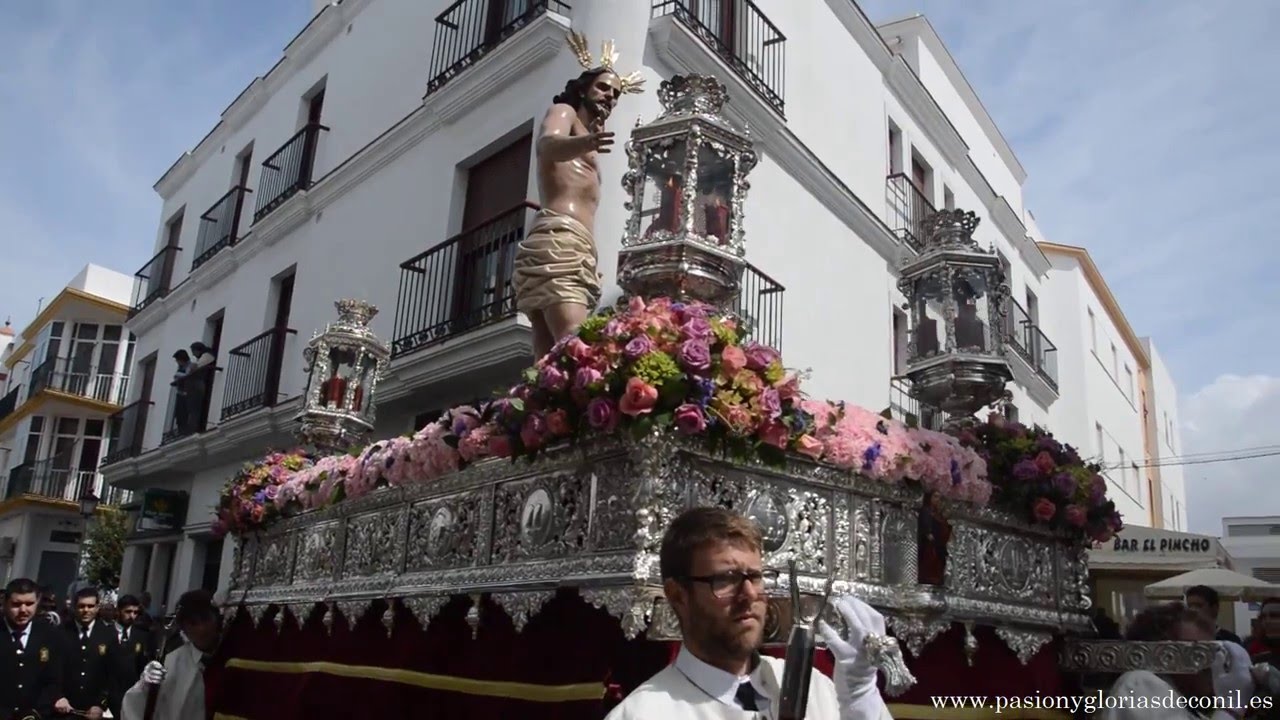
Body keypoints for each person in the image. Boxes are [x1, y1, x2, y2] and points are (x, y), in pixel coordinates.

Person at [604, 507, 894, 719]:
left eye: (755, 576)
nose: (750, 595)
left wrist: (861, 701)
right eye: (726, 579)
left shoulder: (817, 688)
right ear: (678, 595)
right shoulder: (643, 714)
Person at [511, 31, 643, 359]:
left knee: (547, 360)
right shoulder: (564, 113)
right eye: (603, 87)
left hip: (578, 244)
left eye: (615, 94)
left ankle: (544, 410)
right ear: (583, 87)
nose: (609, 97)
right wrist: (582, 144)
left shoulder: (589, 138)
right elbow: (546, 145)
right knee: (576, 347)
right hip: (560, 237)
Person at [1098, 602, 1266, 719]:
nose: (1211, 666)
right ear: (1162, 654)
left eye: (1211, 653)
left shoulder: (1189, 704)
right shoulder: (1139, 683)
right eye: (1196, 653)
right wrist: (1232, 708)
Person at [121, 589, 223, 720]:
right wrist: (145, 685)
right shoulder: (172, 663)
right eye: (193, 623)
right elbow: (135, 704)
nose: (201, 628)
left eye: (206, 619)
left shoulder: (232, 656)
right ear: (184, 628)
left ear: (217, 620)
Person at [2, 577, 71, 719]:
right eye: (16, 604)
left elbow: (54, 679)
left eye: (29, 604)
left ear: (37, 602)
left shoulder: (50, 635)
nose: (23, 610)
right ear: (5, 603)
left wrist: (37, 712)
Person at [63, 587, 116, 719]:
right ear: (74, 607)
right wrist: (57, 696)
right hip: (63, 708)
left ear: (97, 608)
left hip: (92, 710)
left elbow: (112, 674)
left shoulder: (109, 634)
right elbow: (52, 669)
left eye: (90, 606)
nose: (86, 610)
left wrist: (100, 704)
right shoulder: (61, 632)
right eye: (81, 606)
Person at [109, 594, 151, 719]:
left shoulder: (142, 636)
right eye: (128, 612)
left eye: (135, 612)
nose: (132, 616)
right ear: (118, 611)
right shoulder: (105, 633)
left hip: (130, 696)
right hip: (107, 694)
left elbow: (143, 666)